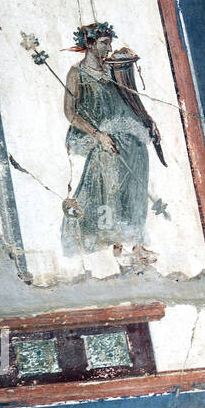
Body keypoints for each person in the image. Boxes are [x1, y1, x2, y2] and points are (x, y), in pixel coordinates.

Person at [60, 22, 157, 264]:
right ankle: (118, 247)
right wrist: (98, 135)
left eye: (109, 42)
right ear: (89, 44)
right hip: (103, 140)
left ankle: (137, 245)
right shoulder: (77, 73)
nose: (108, 48)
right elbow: (71, 114)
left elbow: (130, 99)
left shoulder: (112, 69)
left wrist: (147, 120)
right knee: (112, 192)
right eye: (104, 43)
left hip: (129, 137)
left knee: (135, 189)